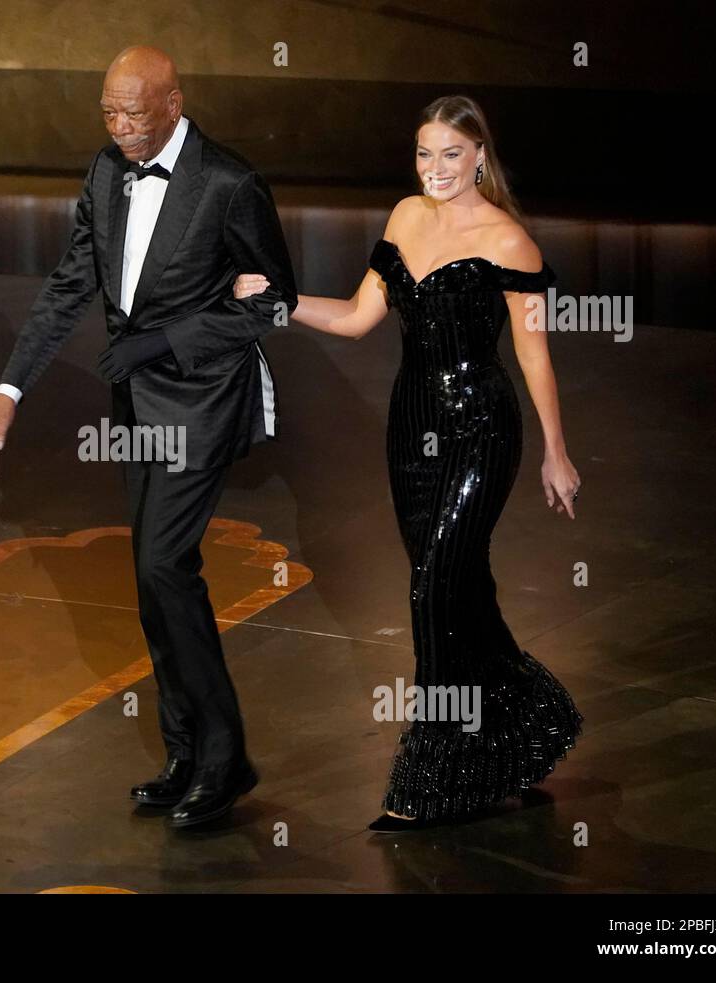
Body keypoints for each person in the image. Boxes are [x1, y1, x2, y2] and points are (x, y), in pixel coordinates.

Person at [233, 95, 583, 831]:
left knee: (432, 589)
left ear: (480, 156)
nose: (436, 170)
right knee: (461, 590)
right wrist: (280, 300)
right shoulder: (404, 217)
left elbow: (533, 356)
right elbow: (361, 318)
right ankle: (528, 722)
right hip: (411, 429)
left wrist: (556, 450)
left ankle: (432, 777)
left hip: (482, 430)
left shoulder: (507, 240)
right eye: (424, 154)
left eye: (451, 155)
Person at [0, 45, 298, 828]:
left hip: (200, 400)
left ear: (174, 104)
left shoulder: (228, 183)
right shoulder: (104, 171)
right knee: (153, 576)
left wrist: (162, 342)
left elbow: (275, 301)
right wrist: (10, 387)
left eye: (135, 113)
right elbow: (69, 283)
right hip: (136, 408)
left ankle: (226, 760)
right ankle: (184, 752)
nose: (120, 128)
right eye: (109, 113)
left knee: (163, 563)